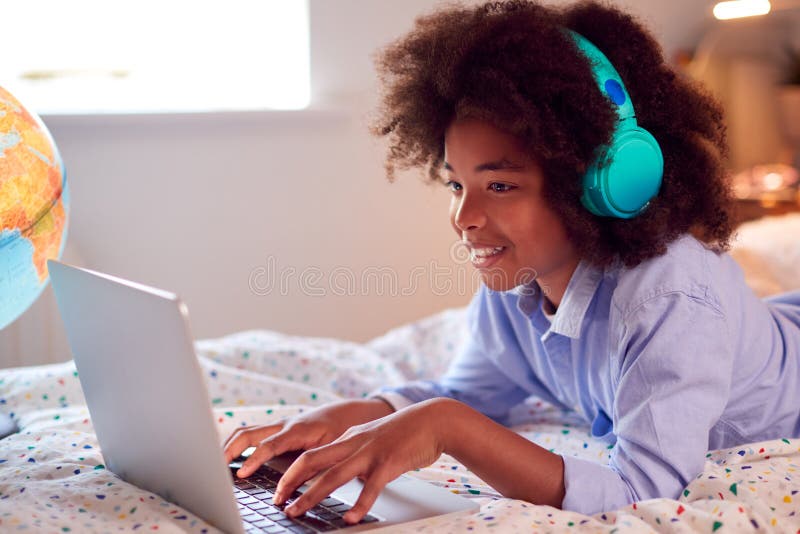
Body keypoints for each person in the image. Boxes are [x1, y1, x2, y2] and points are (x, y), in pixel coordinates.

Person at [223, 0, 800, 521]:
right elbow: (473, 387)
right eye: (456, 186)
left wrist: (449, 426)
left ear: (601, 184)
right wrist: (354, 415)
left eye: (499, 186)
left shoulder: (671, 298)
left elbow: (639, 492)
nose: (463, 217)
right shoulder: (515, 286)